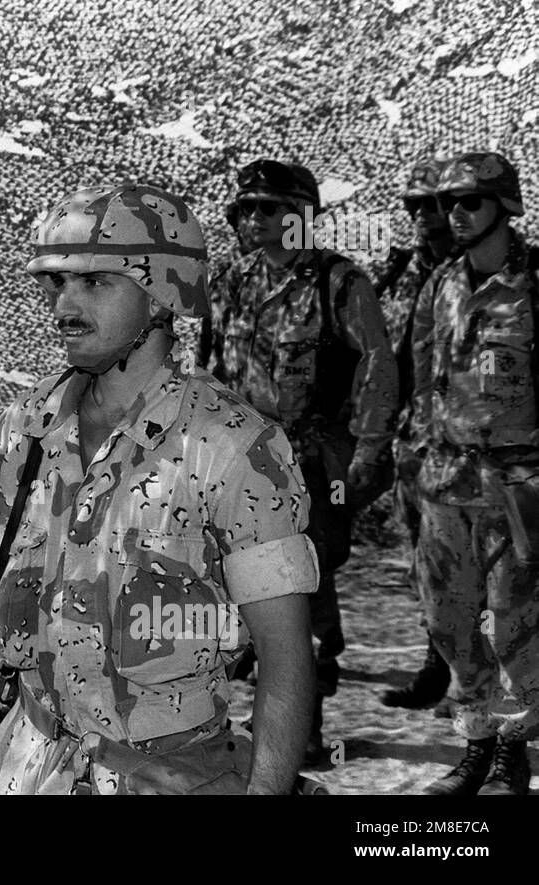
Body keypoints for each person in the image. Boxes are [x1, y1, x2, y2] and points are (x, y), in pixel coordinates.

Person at [0, 182, 318, 794]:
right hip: (27, 765)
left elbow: (284, 656)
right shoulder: (40, 420)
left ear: (162, 292)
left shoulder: (235, 448)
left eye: (95, 282)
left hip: (163, 775)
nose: (64, 307)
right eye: (57, 284)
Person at [203, 159, 398, 765]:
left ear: (302, 218)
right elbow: (212, 365)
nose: (253, 220)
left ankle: (300, 733)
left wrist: (369, 446)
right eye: (246, 210)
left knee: (300, 590)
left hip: (310, 461)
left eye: (269, 209)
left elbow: (377, 364)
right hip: (239, 457)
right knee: (243, 584)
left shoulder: (338, 283)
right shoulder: (231, 282)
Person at [411, 151, 538, 795]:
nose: (452, 216)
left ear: (504, 207)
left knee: (515, 624)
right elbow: (420, 380)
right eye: (446, 204)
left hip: (517, 484)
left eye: (469, 203)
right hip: (444, 479)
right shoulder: (440, 286)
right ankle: (477, 743)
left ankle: (514, 742)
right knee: (448, 620)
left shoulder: (533, 281)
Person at [375, 160, 455, 711]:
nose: (424, 217)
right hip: (414, 441)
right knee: (428, 563)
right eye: (416, 207)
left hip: (482, 446)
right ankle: (439, 665)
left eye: (434, 204)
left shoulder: (499, 273)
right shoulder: (401, 272)